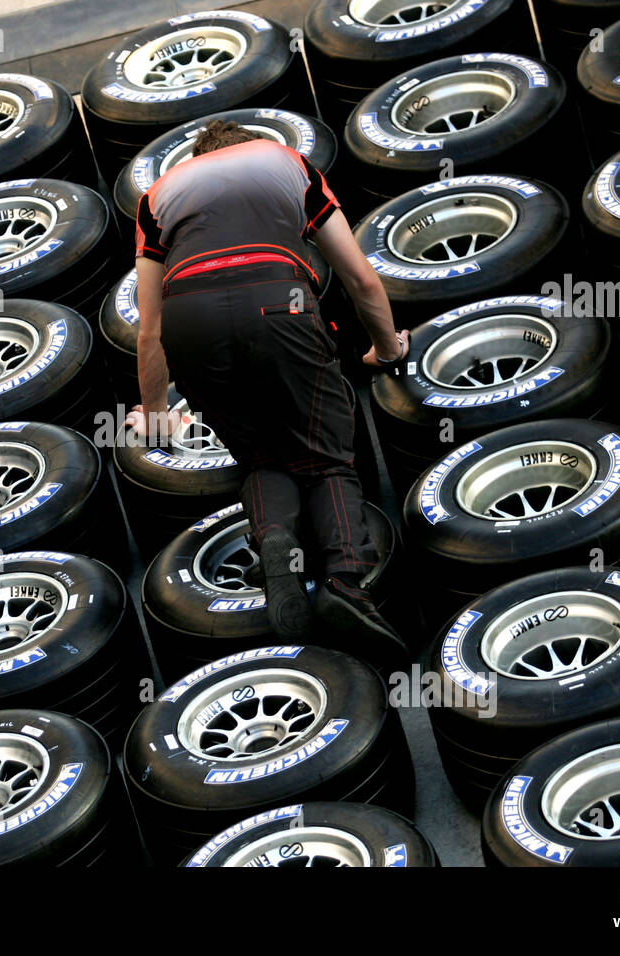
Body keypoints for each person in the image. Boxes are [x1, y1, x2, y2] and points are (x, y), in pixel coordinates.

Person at [128, 120, 411, 662]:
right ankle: (346, 585)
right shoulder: (289, 163)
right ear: (246, 145)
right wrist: (387, 350)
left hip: (191, 320)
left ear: (199, 155)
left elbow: (148, 329)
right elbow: (362, 280)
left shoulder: (155, 197)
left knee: (263, 459)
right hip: (277, 302)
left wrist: (158, 414)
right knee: (327, 459)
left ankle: (276, 540)